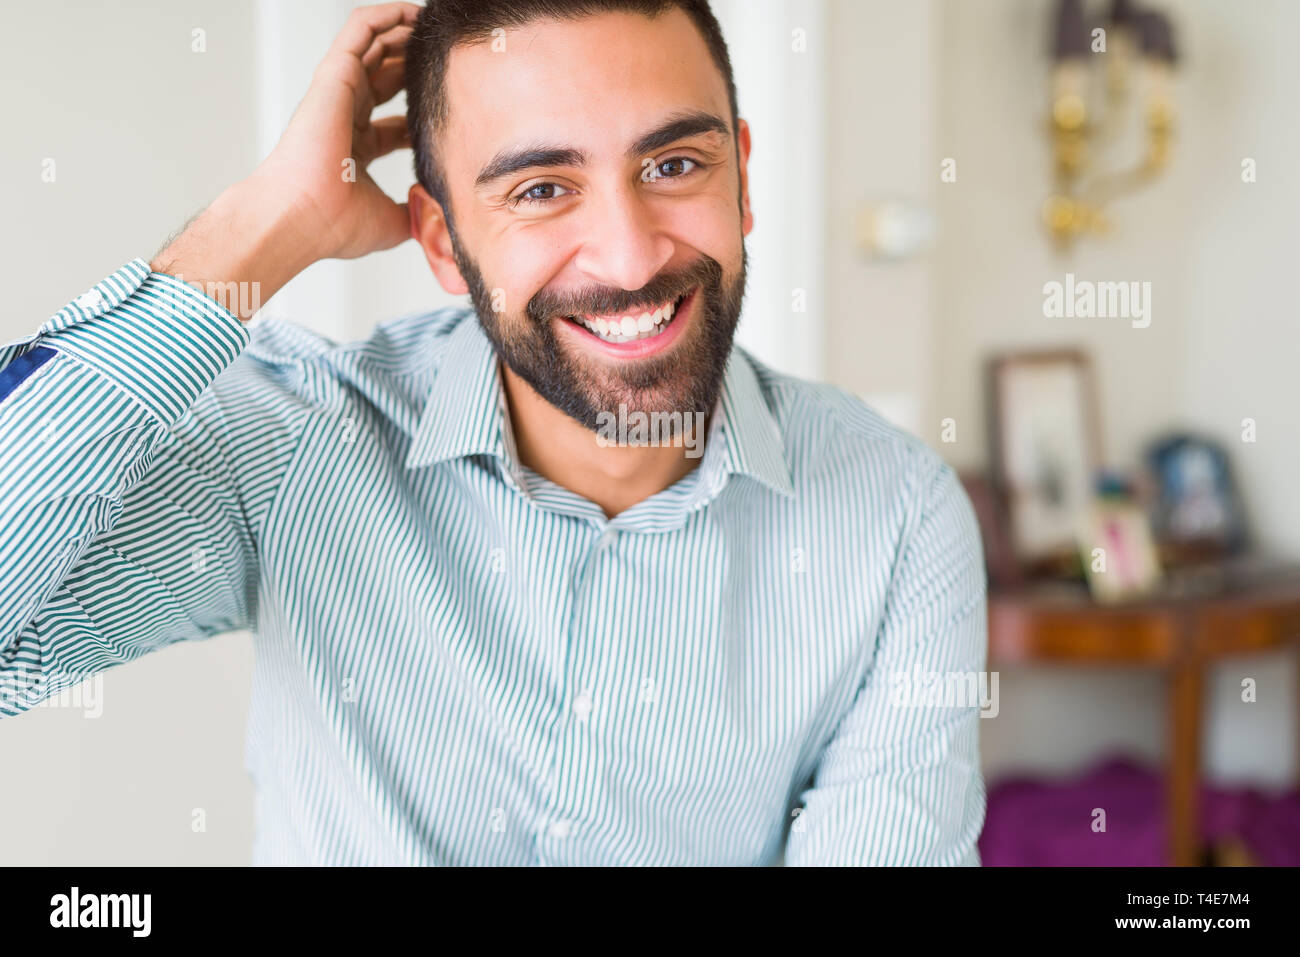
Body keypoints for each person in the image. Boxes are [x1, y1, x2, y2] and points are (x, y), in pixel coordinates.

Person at [0, 0, 987, 865]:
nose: (631, 255)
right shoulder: (298, 441)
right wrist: (271, 223)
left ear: (742, 181)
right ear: (440, 239)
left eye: (675, 162)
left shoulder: (894, 512)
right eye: (541, 188)